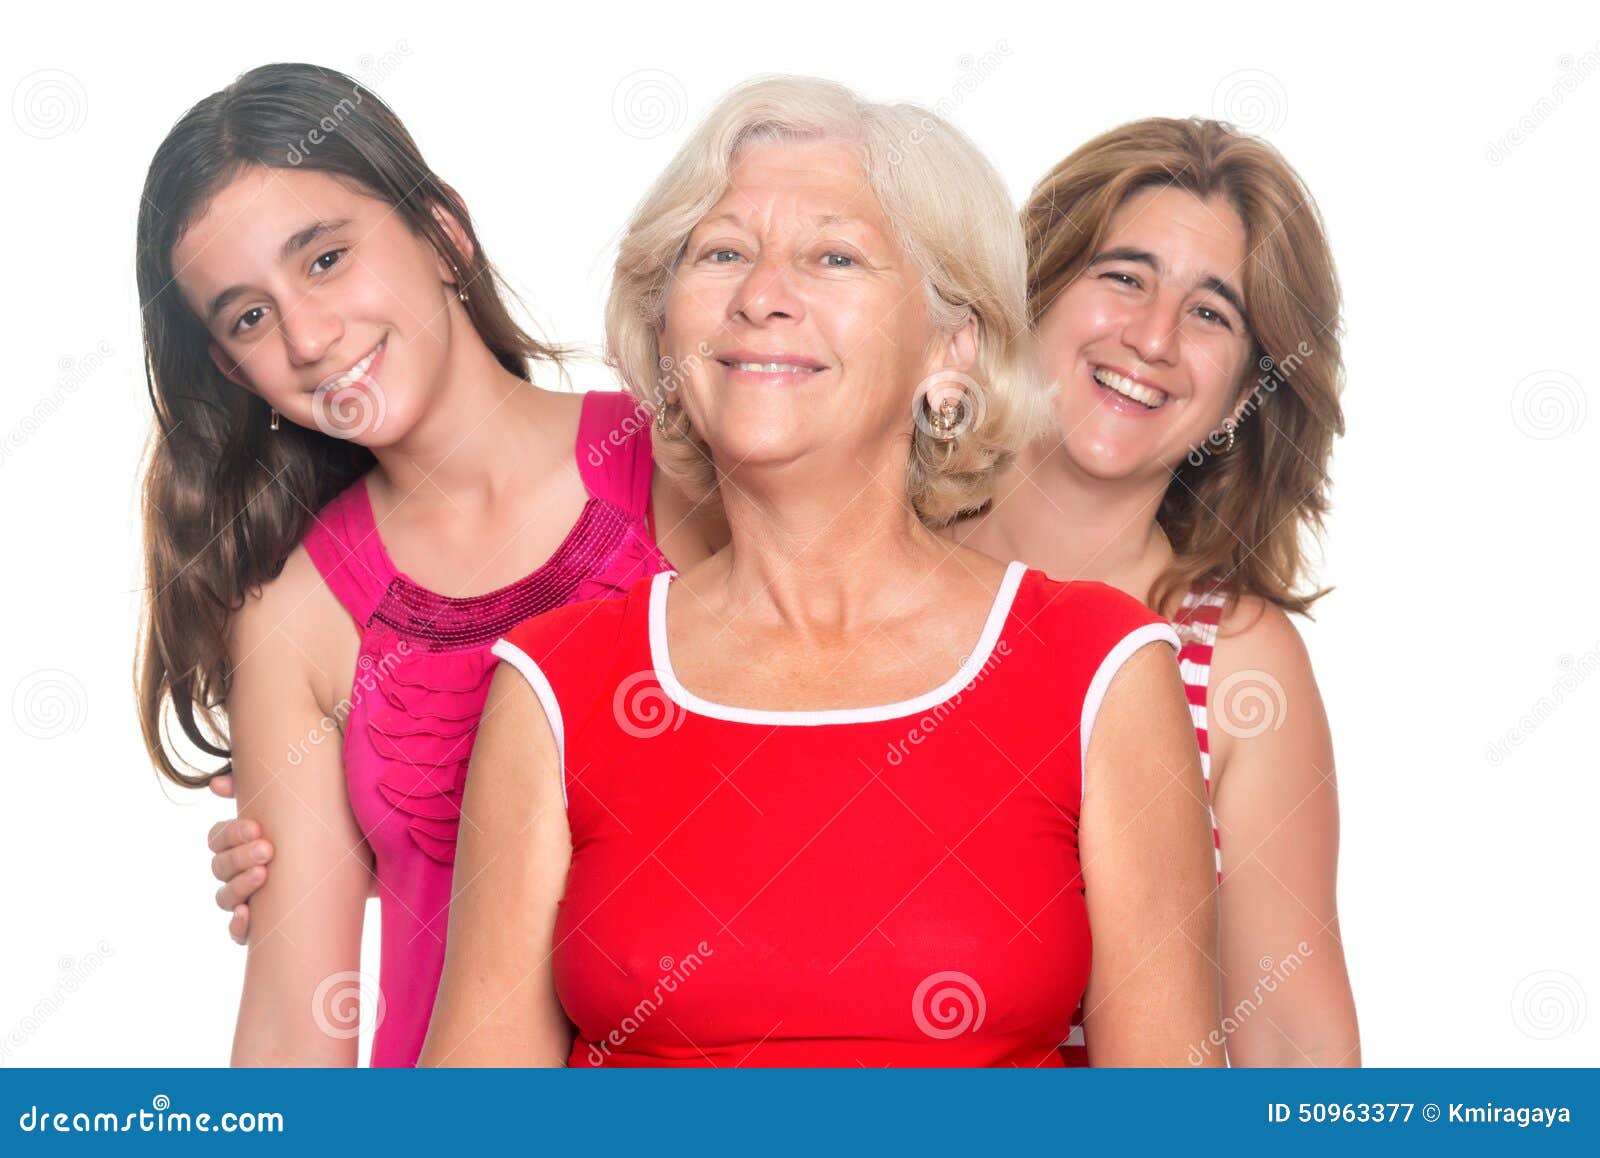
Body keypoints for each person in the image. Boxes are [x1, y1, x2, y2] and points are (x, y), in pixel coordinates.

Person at [417, 76, 1221, 1067]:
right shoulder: (555, 683)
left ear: (949, 346)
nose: (761, 296)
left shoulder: (1099, 668)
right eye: (721, 254)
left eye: (832, 256)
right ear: (669, 330)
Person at [135, 63, 716, 1066]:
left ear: (443, 233)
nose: (311, 337)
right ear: (236, 372)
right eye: (249, 316)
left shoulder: (688, 468)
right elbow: (293, 1026)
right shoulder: (295, 617)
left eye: (323, 259)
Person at [948, 118, 1359, 1065]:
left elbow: (1293, 1049)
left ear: (1245, 393)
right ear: (1033, 292)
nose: (1154, 337)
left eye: (1212, 313)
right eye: (1124, 276)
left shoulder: (1238, 661)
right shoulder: (854, 563)